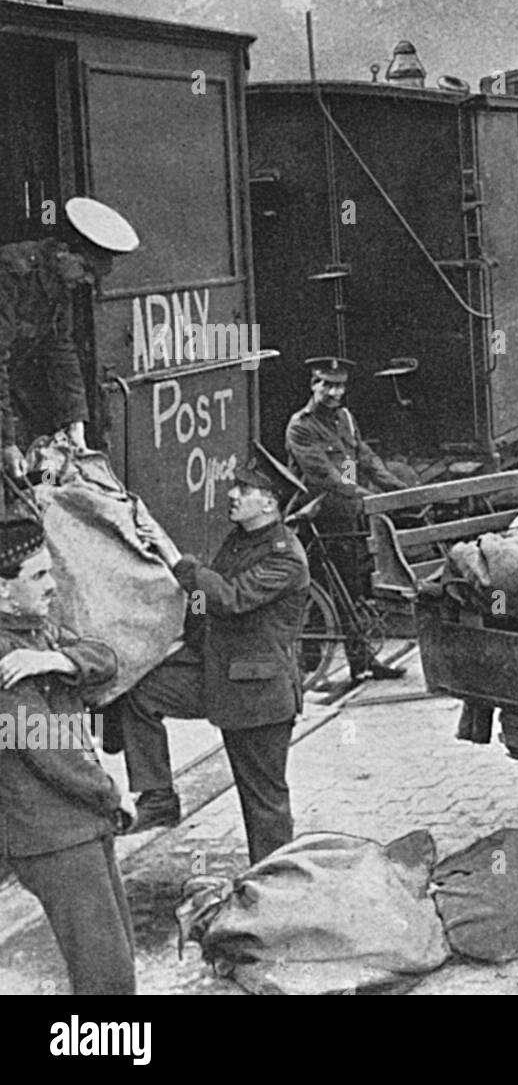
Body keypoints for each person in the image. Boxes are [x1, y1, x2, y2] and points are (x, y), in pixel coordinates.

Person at [120, 446, 310, 861]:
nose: (233, 494)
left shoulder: (286, 557)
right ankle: (158, 797)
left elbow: (229, 599)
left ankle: (279, 883)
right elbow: (206, 602)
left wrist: (174, 556)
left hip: (258, 694)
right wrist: (181, 633)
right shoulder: (242, 539)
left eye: (245, 489)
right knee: (140, 694)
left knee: (263, 802)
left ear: (269, 503)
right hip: (217, 672)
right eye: (236, 486)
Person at [0, 516, 136, 993]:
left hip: (77, 823)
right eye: (38, 575)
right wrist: (112, 794)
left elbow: (107, 659)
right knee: (105, 976)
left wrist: (55, 660)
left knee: (115, 964)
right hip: (52, 834)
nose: (52, 585)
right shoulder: (5, 658)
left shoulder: (36, 634)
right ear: (2, 591)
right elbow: (48, 751)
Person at [0, 198, 139, 495]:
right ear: (63, 252)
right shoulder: (10, 274)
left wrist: (76, 424)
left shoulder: (59, 283)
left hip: (9, 397)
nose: (87, 281)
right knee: (11, 480)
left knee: (43, 478)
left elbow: (61, 351)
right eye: (85, 269)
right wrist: (6, 443)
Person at [285, 356, 408, 681]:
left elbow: (361, 458)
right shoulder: (301, 426)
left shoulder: (345, 419)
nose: (333, 392)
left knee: (349, 589)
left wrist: (397, 488)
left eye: (339, 386)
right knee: (319, 592)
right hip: (318, 520)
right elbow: (325, 475)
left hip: (347, 517)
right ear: (313, 385)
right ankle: (305, 666)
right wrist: (366, 496)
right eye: (326, 384)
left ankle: (359, 663)